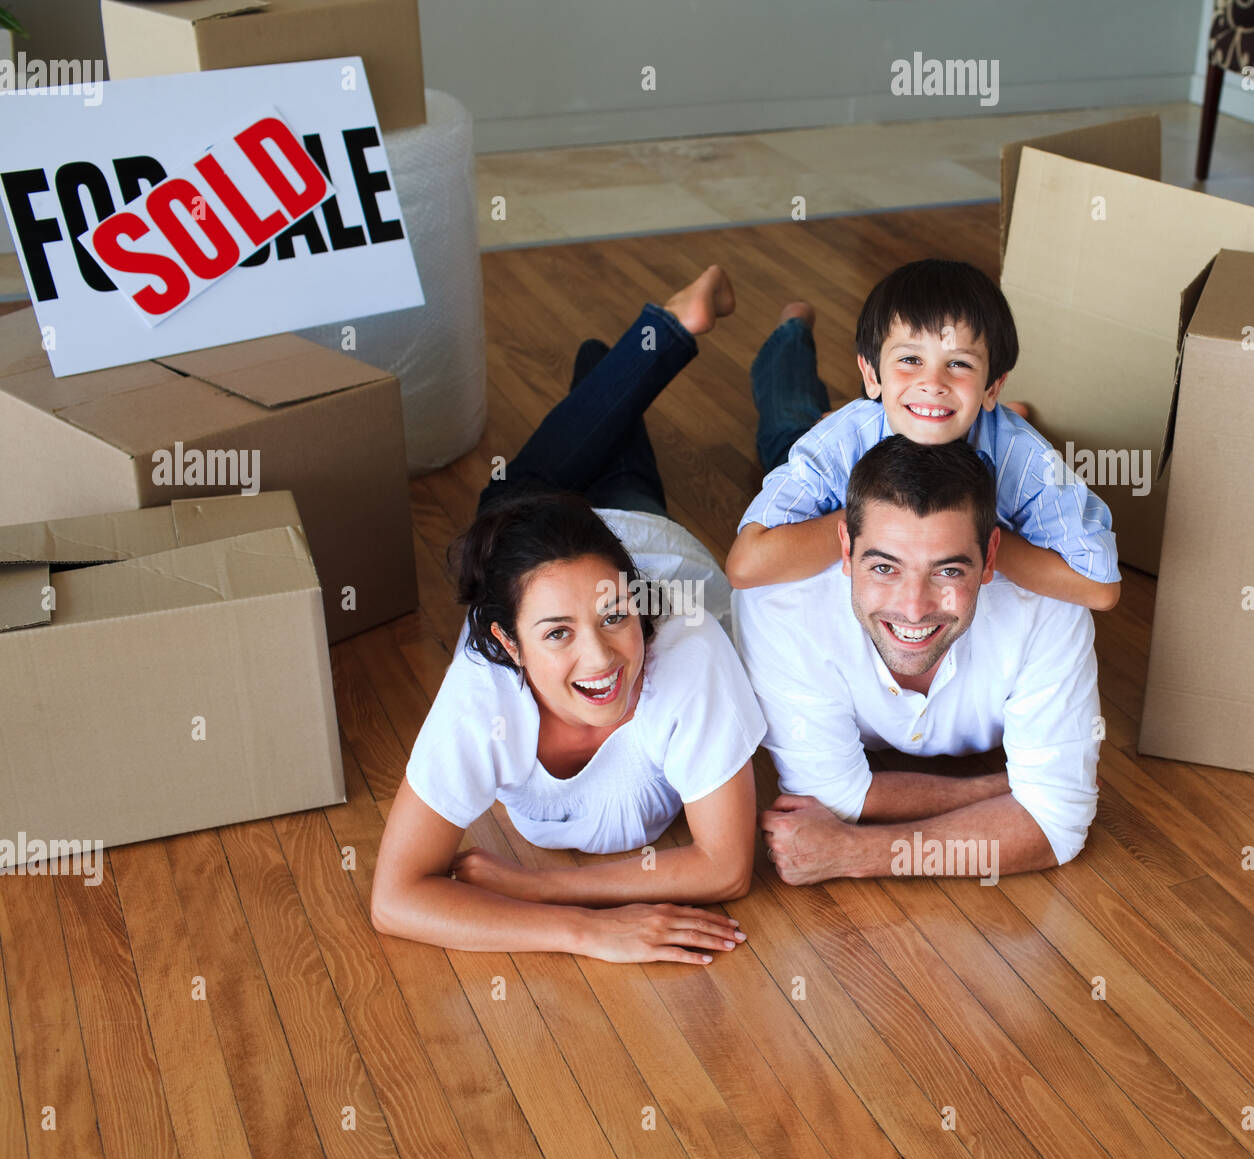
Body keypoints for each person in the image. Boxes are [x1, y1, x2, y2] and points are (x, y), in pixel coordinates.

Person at [371, 267, 767, 965]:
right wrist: (588, 931)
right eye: (556, 635)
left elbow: (728, 865)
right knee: (530, 494)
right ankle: (624, 354)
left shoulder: (687, 651)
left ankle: (634, 349)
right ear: (506, 643)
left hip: (640, 543)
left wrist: (542, 888)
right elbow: (394, 897)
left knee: (557, 489)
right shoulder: (482, 687)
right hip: (576, 551)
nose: (602, 657)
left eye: (615, 617)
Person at [733, 433, 1101, 886]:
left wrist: (855, 853)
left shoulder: (1048, 605)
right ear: (845, 549)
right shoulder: (778, 604)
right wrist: (994, 789)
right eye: (884, 568)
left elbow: (1055, 825)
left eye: (948, 571)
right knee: (779, 431)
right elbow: (830, 794)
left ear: (990, 558)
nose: (913, 608)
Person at [725, 259, 1122, 612]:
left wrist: (970, 532)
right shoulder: (837, 443)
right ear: (871, 374)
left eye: (959, 364)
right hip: (827, 429)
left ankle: (1005, 415)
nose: (933, 382)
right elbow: (746, 565)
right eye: (911, 359)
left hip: (961, 420)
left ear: (992, 387)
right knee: (786, 423)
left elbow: (1100, 589)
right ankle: (793, 326)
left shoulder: (1026, 460)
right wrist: (883, 517)